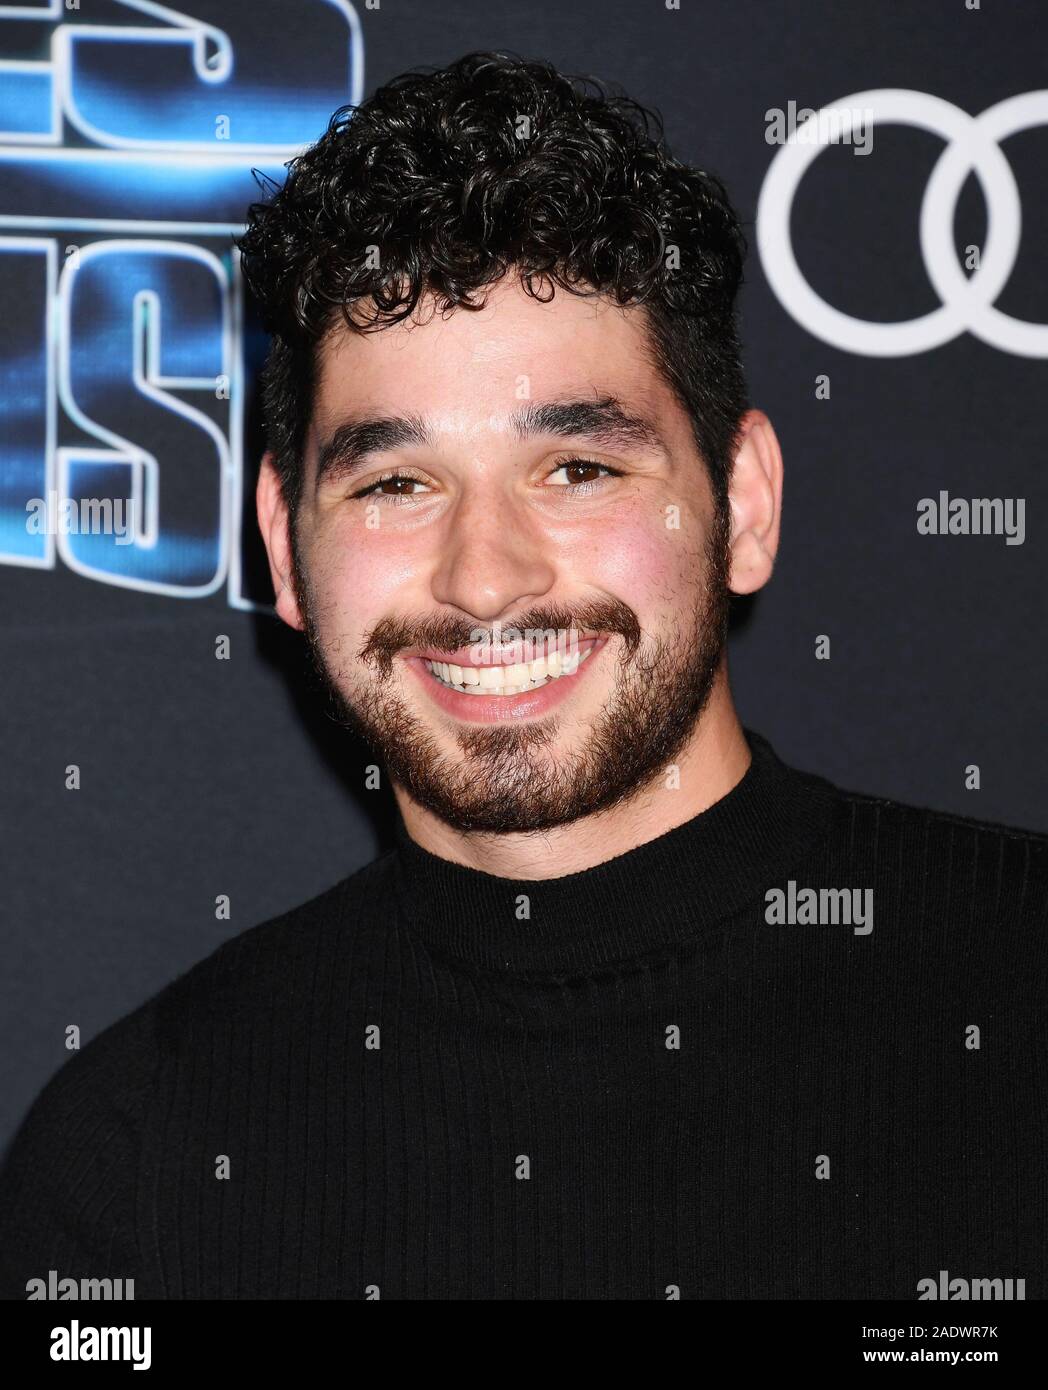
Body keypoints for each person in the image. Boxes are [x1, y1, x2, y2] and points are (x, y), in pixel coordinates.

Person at [1, 51, 1044, 1301]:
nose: (484, 579)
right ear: (284, 547)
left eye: (578, 471)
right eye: (396, 484)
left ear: (743, 505)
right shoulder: (137, 1157)